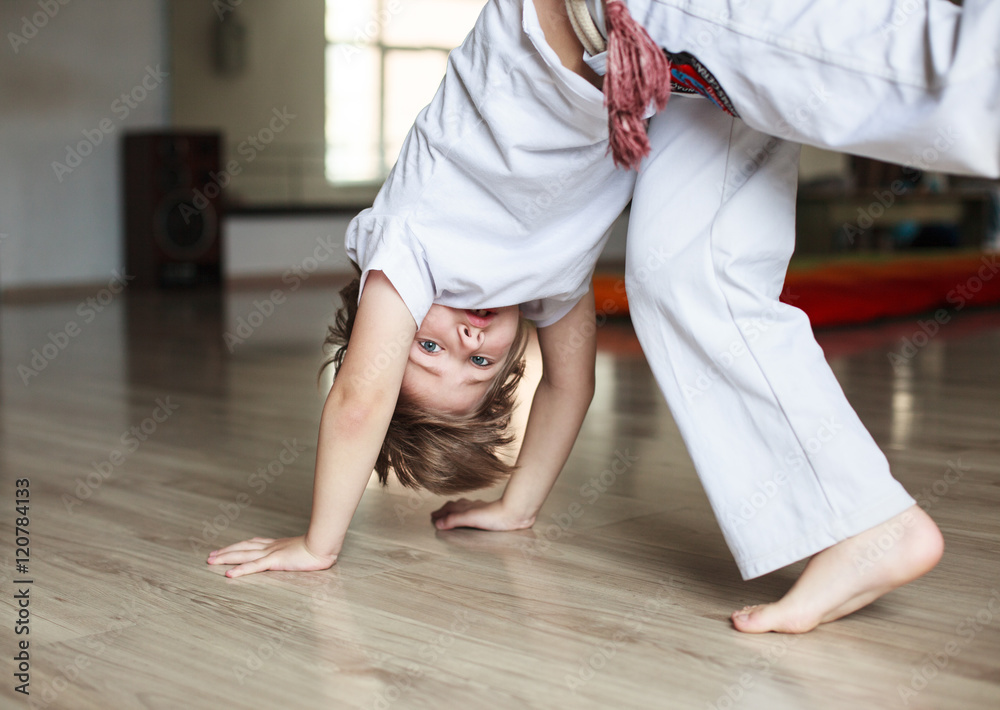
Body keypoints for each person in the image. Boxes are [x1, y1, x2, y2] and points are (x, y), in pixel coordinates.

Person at [210, 0, 997, 634]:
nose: (467, 340)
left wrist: (320, 543)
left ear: (384, 329)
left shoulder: (407, 244)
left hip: (620, 21)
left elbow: (359, 403)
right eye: (480, 364)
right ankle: (865, 523)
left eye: (427, 346)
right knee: (683, 274)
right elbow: (568, 388)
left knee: (912, 78)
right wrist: (518, 504)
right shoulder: (545, 284)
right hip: (662, 82)